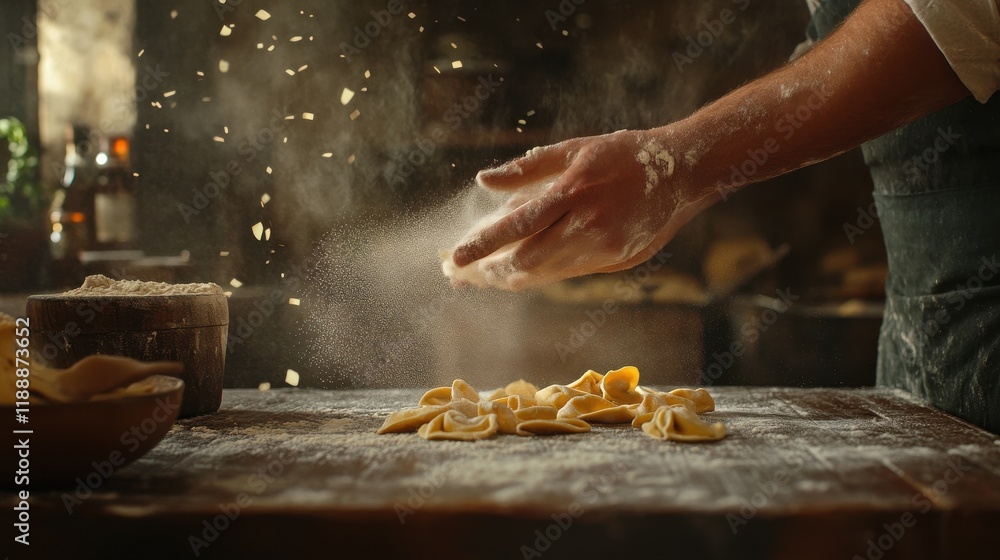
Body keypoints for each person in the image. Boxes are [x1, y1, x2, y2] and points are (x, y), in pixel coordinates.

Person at [446, 0, 1000, 433]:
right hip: (923, 329)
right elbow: (847, 58)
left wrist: (678, 163)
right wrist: (681, 182)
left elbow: (948, 25)